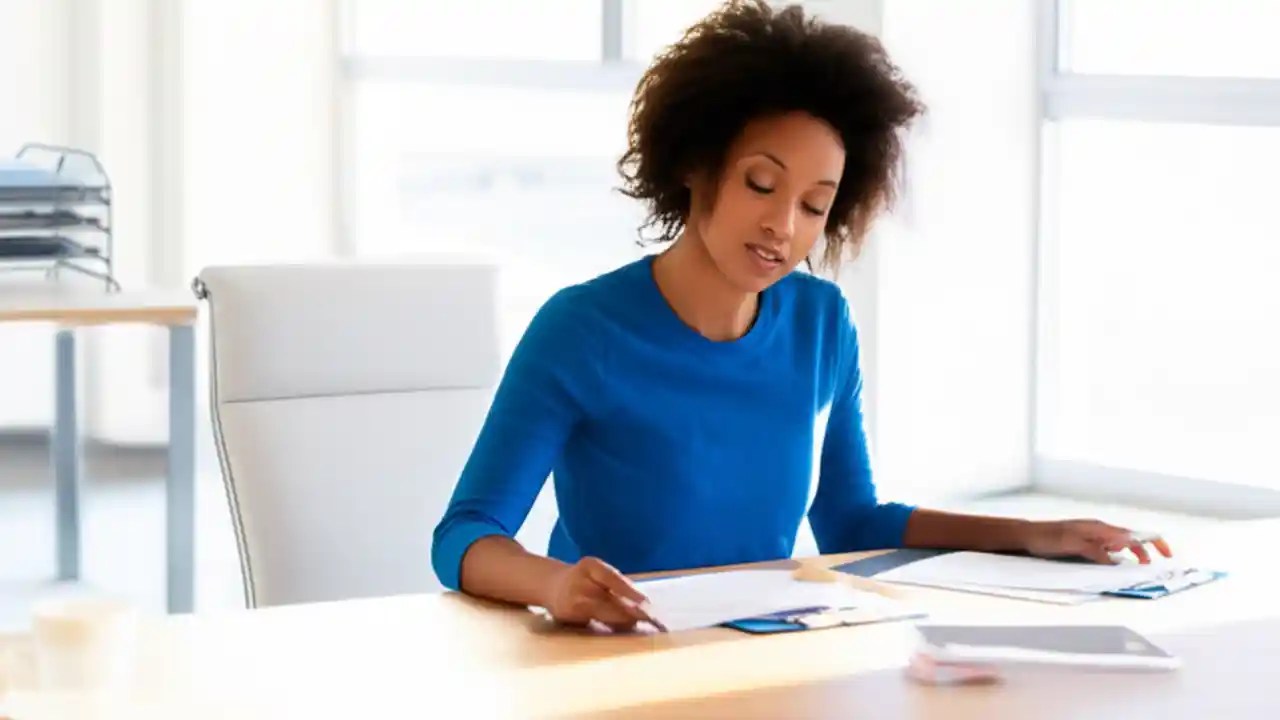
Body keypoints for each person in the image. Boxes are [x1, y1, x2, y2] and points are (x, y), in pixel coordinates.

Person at [432, 0, 1171, 632]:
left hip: (766, 646)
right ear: (694, 163)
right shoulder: (581, 330)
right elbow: (466, 533)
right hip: (616, 654)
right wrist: (554, 586)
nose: (784, 225)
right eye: (761, 184)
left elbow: (852, 520)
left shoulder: (822, 324)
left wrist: (1033, 537)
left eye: (814, 205)